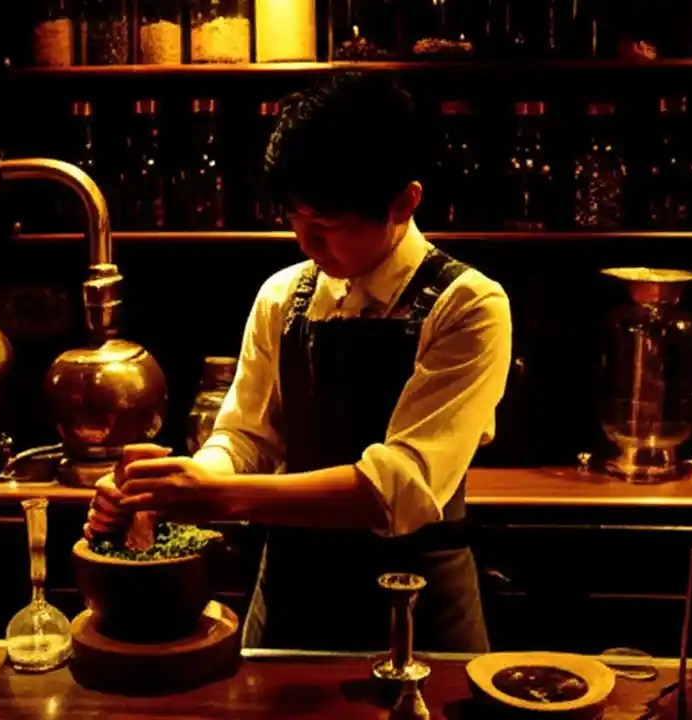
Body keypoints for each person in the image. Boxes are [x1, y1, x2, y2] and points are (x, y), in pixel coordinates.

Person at [84, 74, 511, 653]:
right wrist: (178, 482)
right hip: (292, 589)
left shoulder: (470, 305)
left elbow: (400, 487)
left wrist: (220, 497)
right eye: (295, 217)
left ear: (404, 202)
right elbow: (243, 437)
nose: (307, 244)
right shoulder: (284, 296)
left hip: (415, 597)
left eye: (329, 227)